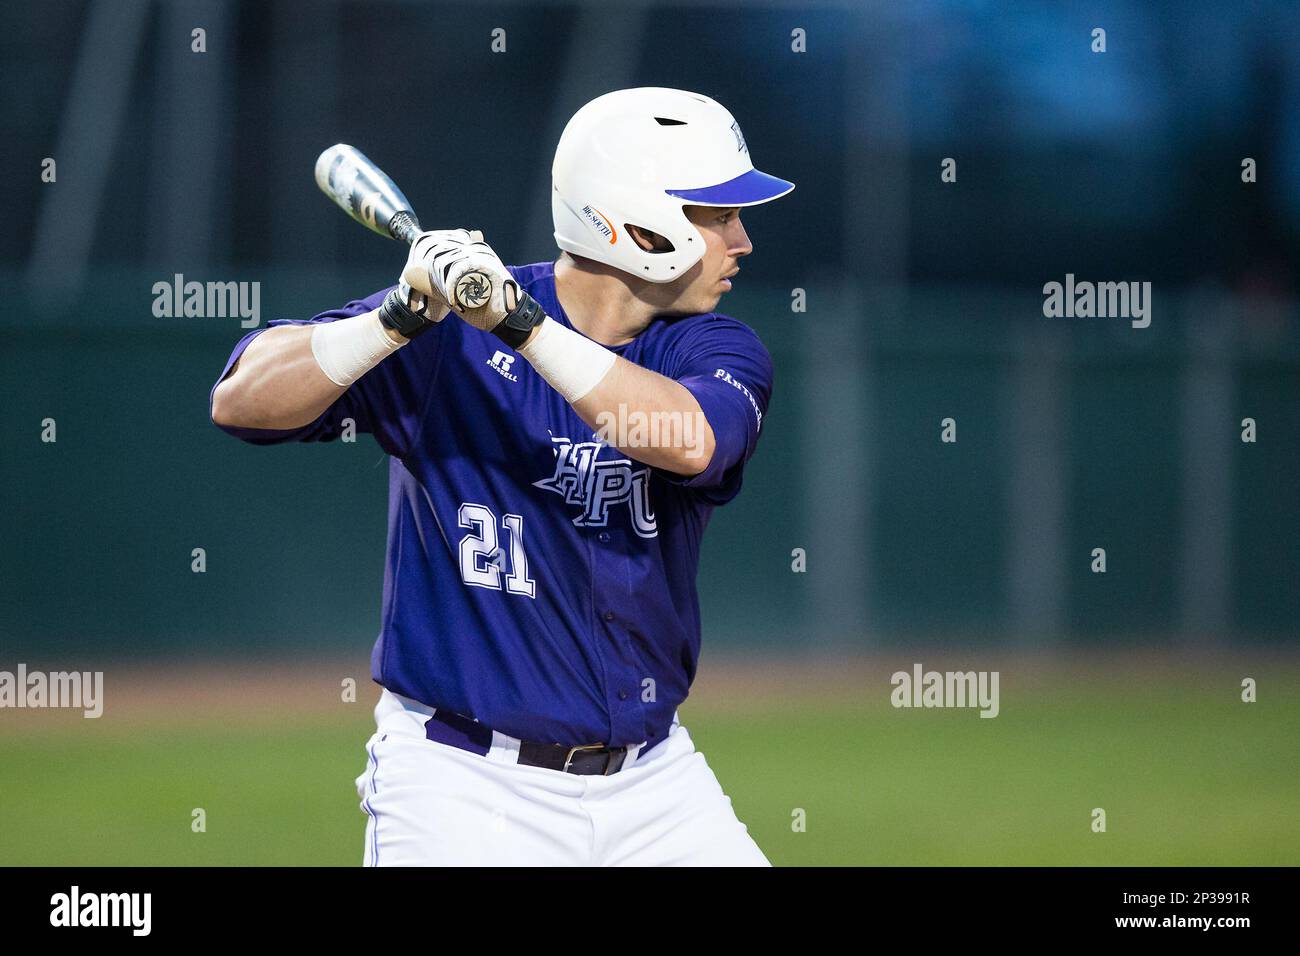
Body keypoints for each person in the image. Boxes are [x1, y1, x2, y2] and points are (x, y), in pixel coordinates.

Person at [209, 87, 794, 865]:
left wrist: (521, 328)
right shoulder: (442, 331)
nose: (742, 239)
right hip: (462, 787)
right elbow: (241, 400)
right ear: (638, 221)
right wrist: (393, 321)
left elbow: (687, 441)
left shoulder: (716, 349)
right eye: (716, 215)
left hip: (656, 785)